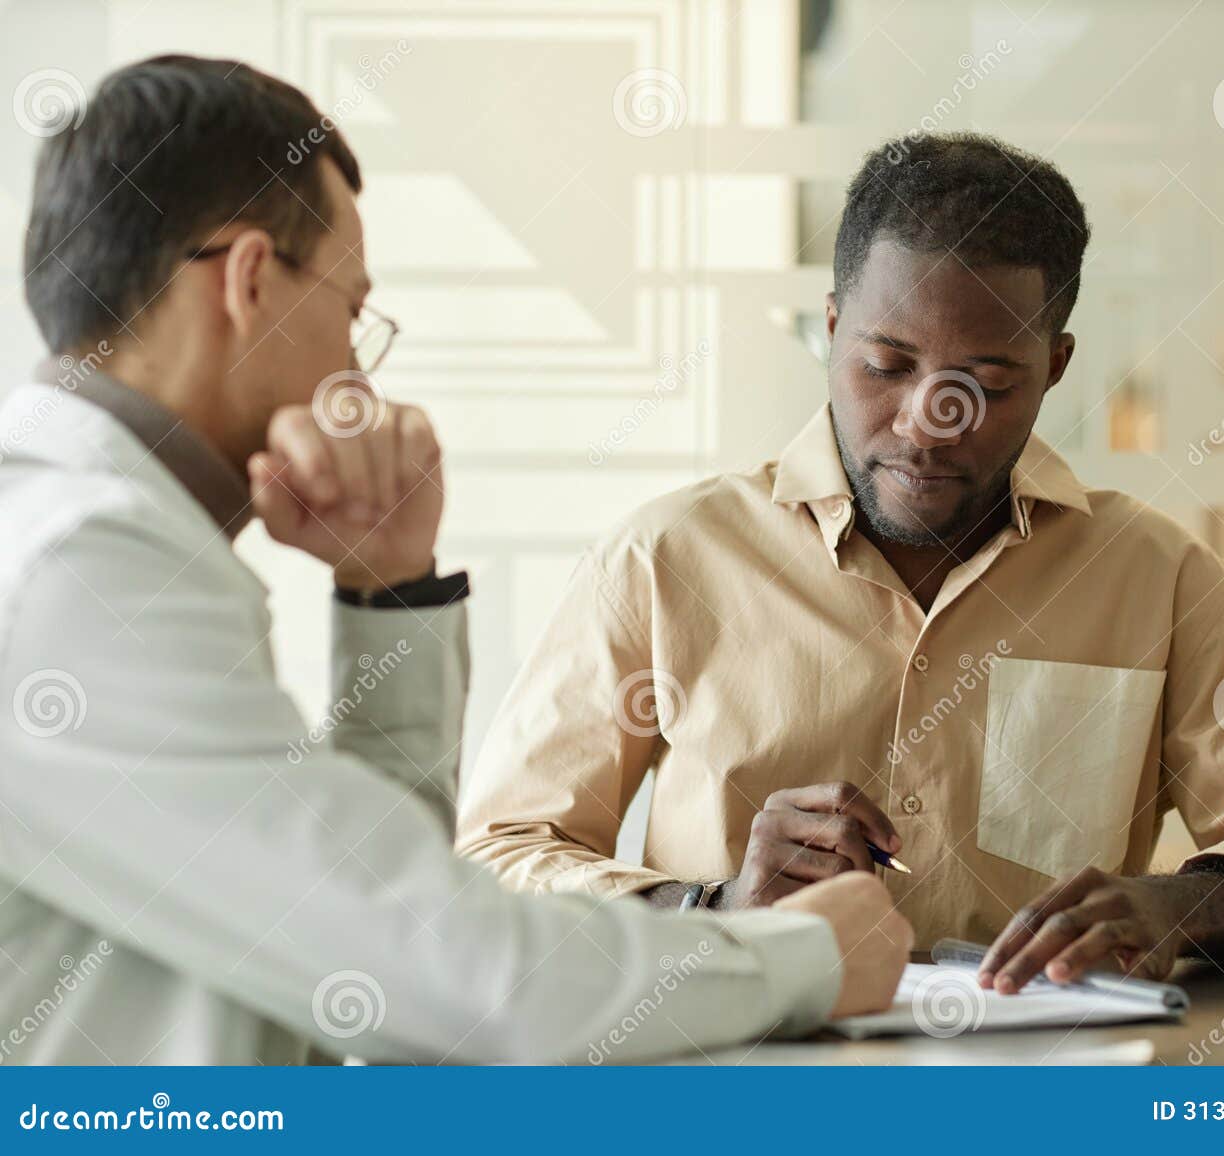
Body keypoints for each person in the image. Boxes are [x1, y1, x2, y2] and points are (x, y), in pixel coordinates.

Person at [0, 54, 909, 1066]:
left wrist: (392, 589)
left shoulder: (91, 537)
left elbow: (362, 955)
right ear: (252, 278)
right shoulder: (77, 567)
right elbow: (463, 982)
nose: (355, 369)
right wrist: (797, 956)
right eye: (352, 313)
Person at [458, 132, 1224, 991]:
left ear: (1056, 366)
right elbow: (499, 853)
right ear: (828, 328)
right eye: (887, 365)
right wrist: (711, 911)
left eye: (984, 383)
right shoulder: (663, 560)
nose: (924, 423)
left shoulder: (1165, 581)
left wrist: (1178, 906)